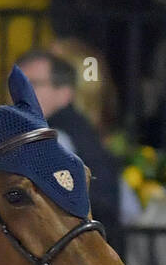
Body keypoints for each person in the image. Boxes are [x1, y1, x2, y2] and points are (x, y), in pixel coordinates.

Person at [18, 48, 121, 236]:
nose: (19, 92)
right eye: (15, 83)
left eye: (32, 84)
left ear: (64, 93)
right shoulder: (84, 131)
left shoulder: (55, 136)